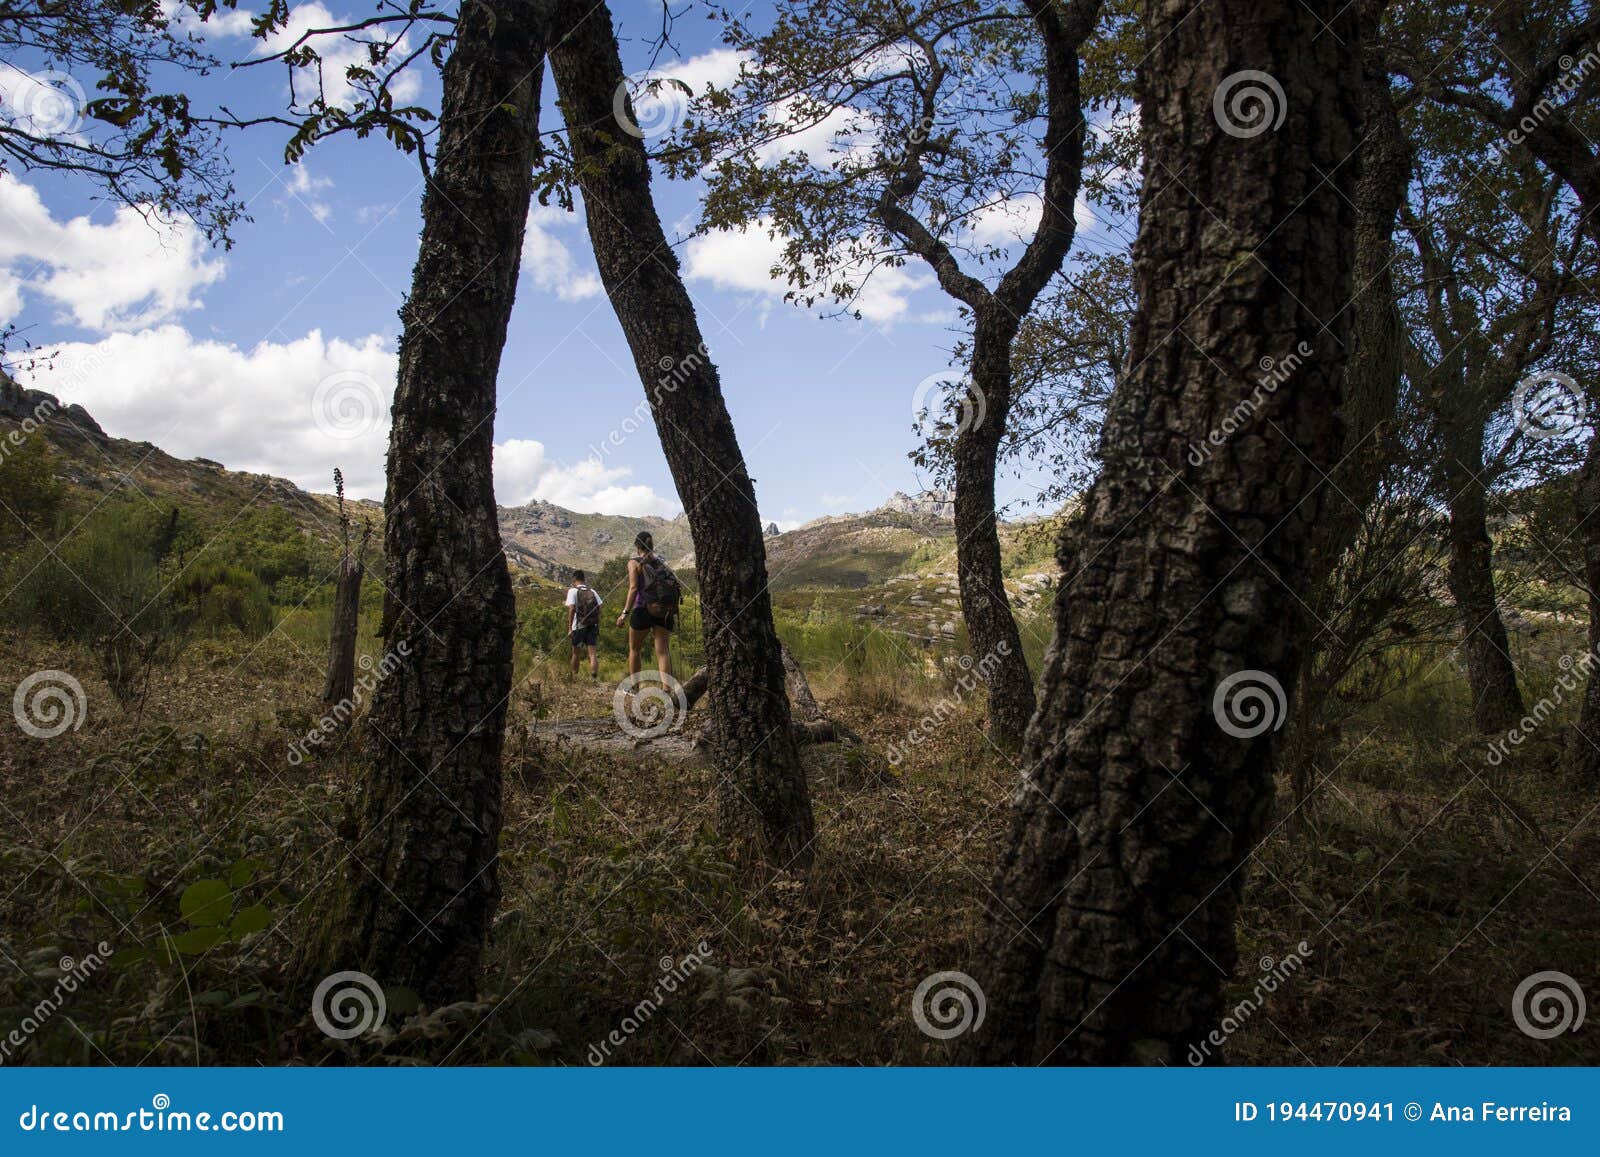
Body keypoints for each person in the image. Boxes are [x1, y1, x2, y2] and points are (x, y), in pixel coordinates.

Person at [618, 531, 679, 681]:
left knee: (634, 649)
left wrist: (625, 613)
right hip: (663, 610)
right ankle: (667, 690)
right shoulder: (661, 561)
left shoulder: (634, 562)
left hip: (643, 609)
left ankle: (634, 687)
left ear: (637, 546)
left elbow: (633, 588)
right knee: (663, 652)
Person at [565, 570, 603, 678]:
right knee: (592, 653)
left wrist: (569, 628)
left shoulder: (572, 591)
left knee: (576, 653)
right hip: (592, 626)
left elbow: (571, 609)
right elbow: (600, 610)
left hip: (578, 626)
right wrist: (593, 620)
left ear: (574, 579)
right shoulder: (593, 591)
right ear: (584, 579)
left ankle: (574, 676)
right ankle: (594, 676)